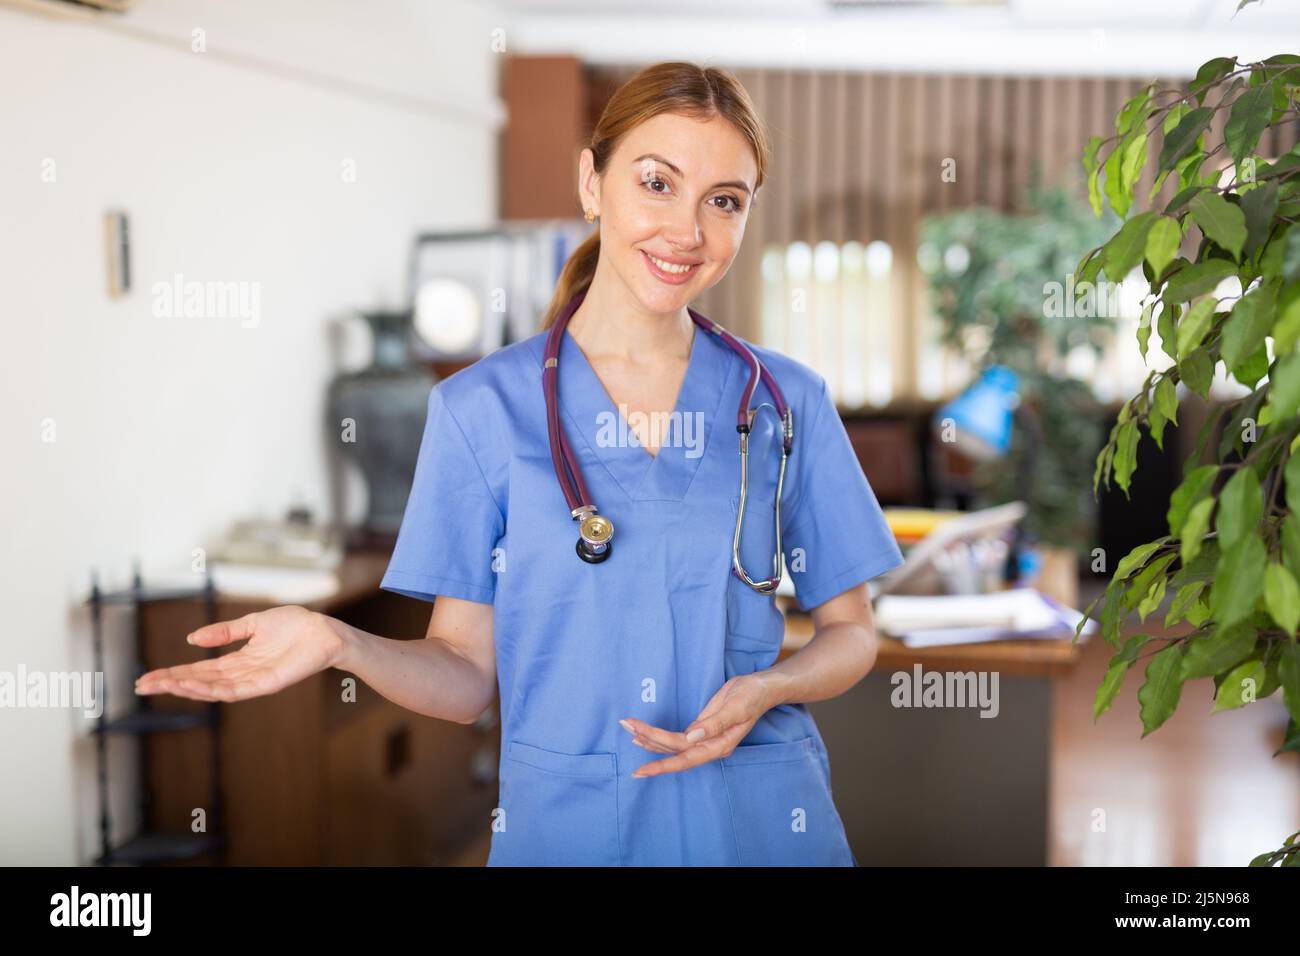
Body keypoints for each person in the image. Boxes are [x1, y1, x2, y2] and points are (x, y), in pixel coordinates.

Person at [135, 61, 904, 866]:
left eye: (725, 201)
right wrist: (340, 642)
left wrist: (771, 686)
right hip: (574, 826)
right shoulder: (479, 412)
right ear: (591, 182)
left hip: (761, 818)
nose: (687, 230)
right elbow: (465, 673)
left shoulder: (787, 401)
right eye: (656, 182)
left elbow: (851, 632)